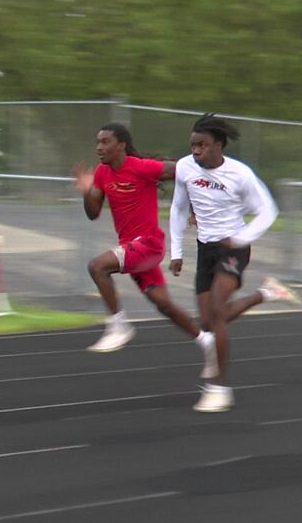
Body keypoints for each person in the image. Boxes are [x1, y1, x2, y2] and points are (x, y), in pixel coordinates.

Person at [169, 114, 301, 413]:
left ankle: (218, 389)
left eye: (202, 145)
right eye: (192, 145)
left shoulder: (240, 175)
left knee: (217, 311)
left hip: (233, 249)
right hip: (205, 250)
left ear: (219, 146)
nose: (196, 151)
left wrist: (242, 238)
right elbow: (178, 208)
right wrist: (176, 251)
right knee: (208, 321)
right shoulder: (185, 168)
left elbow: (268, 210)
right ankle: (266, 293)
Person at [73, 123, 216, 368]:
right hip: (132, 248)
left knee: (97, 266)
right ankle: (207, 341)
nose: (99, 147)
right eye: (98, 142)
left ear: (122, 145)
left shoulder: (142, 168)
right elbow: (93, 213)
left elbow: (183, 170)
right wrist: (87, 191)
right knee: (162, 303)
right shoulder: (102, 172)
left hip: (149, 245)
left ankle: (119, 326)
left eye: (105, 142)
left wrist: (196, 206)